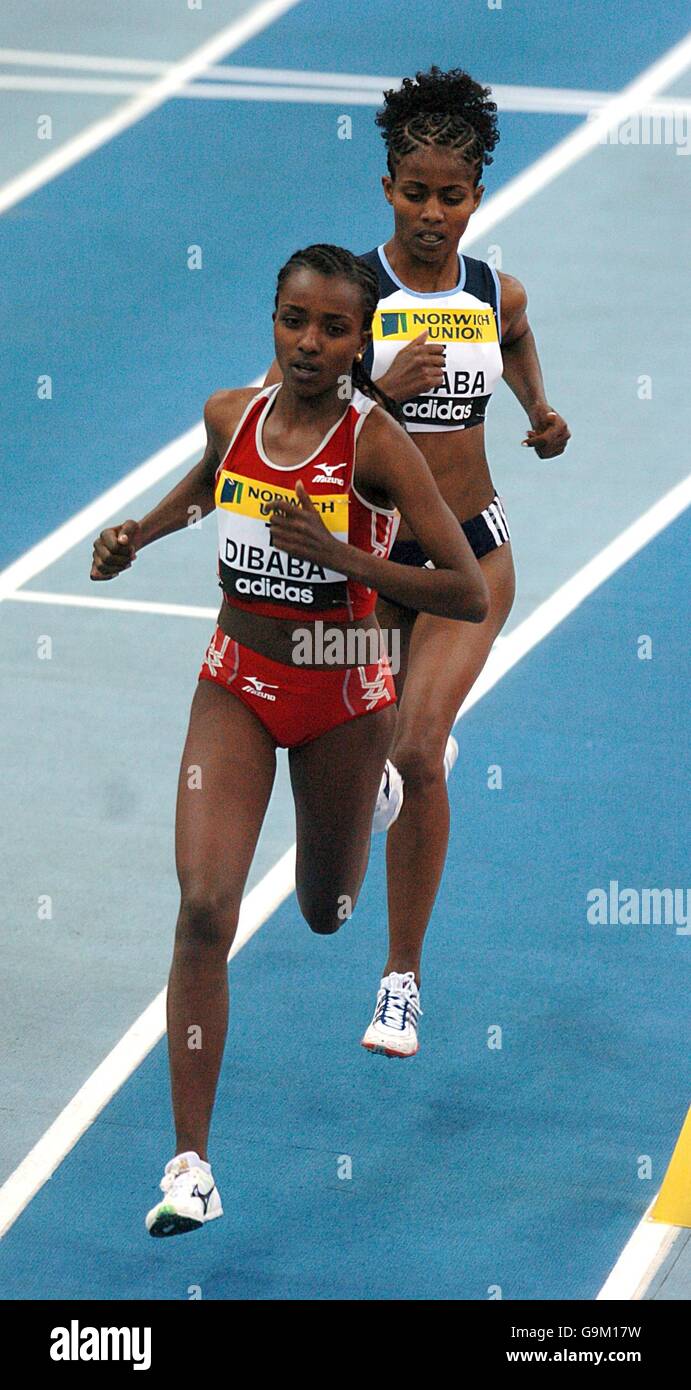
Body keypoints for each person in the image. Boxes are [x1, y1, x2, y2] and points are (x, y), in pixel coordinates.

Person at [90, 243, 488, 1236]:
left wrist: (345, 551)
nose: (309, 341)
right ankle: (191, 1164)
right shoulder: (236, 414)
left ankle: (376, 798)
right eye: (292, 320)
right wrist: (138, 532)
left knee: (323, 910)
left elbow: (466, 589)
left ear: (361, 341)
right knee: (202, 910)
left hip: (344, 694)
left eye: (332, 327)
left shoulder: (376, 445)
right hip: (237, 679)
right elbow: (205, 486)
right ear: (271, 320)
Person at [263, 67, 570, 1059]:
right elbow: (280, 415)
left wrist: (539, 411)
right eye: (414, 193)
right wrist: (373, 389)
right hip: (365, 565)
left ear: (477, 194)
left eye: (452, 195)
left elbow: (513, 337)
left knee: (413, 745)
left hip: (466, 553)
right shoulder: (347, 299)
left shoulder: (493, 291)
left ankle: (401, 980)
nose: (432, 214)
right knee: (360, 760)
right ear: (386, 187)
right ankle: (399, 767)